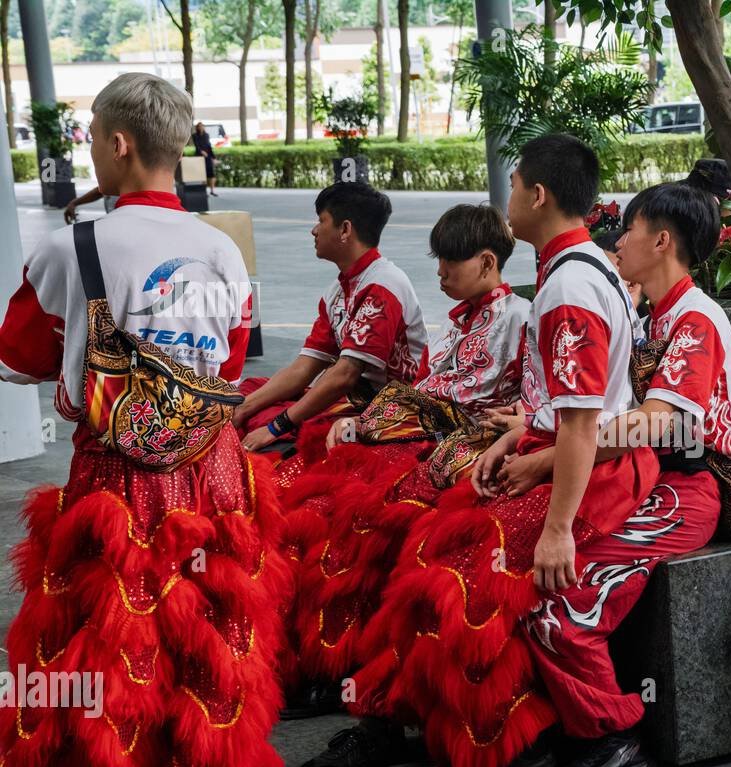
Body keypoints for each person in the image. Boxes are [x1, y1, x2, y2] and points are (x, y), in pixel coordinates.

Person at [296, 134, 659, 767]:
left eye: (514, 183)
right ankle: (391, 712)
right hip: (560, 456)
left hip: (590, 475)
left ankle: (523, 742)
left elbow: (583, 422)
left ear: (538, 195)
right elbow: (570, 407)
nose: (509, 196)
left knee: (457, 575)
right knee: (417, 544)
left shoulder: (568, 285)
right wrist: (521, 437)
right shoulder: (575, 270)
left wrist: (556, 528)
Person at [0, 72, 289, 767]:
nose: (88, 148)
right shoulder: (222, 249)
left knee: (81, 648)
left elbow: (16, 354)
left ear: (120, 144)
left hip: (115, 484)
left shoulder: (73, 246)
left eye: (92, 136)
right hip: (215, 474)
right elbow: (230, 363)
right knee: (208, 641)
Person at [500, 182, 731, 767]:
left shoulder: (695, 320)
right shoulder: (652, 314)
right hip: (642, 475)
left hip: (694, 486)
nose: (620, 242)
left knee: (562, 602)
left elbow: (662, 421)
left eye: (631, 230)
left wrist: (550, 459)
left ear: (661, 241)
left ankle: (611, 737)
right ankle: (536, 729)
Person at [278, 203, 530, 717]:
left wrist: (519, 415)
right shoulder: (455, 325)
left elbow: (542, 399)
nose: (439, 273)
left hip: (448, 445)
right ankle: (320, 663)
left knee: (362, 517)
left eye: (449, 263)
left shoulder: (521, 319)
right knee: (303, 496)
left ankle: (347, 673)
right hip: (410, 433)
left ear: (486, 262)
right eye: (437, 261)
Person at [233, 182, 428, 459]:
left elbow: (345, 375)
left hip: (388, 405)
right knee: (249, 395)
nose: (314, 230)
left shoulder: (383, 287)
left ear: (345, 229)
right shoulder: (337, 292)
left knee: (298, 433)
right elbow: (304, 367)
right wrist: (242, 408)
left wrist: (276, 427)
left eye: (321, 221)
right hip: (353, 396)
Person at [192, 122, 218, 196]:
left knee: (212, 175)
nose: (201, 128)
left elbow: (209, 146)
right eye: (199, 126)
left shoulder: (206, 135)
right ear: (197, 128)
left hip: (208, 157)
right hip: (199, 157)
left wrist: (213, 157)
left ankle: (212, 191)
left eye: (202, 126)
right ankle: (204, 191)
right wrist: (201, 152)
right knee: (202, 175)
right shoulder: (195, 136)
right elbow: (197, 146)